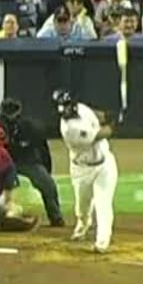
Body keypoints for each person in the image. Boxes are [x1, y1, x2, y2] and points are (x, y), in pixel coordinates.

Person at [53, 88, 118, 253]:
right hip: (82, 170)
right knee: (82, 205)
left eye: (67, 105)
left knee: (103, 204)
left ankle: (102, 242)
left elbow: (96, 115)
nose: (65, 110)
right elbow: (103, 133)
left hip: (104, 165)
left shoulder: (81, 108)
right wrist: (115, 123)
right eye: (62, 107)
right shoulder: (69, 129)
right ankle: (83, 224)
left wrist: (109, 114)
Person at [0, 97, 65, 227]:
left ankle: (55, 216)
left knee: (47, 184)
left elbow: (43, 149)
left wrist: (47, 170)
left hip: (27, 161)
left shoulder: (31, 128)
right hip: (3, 163)